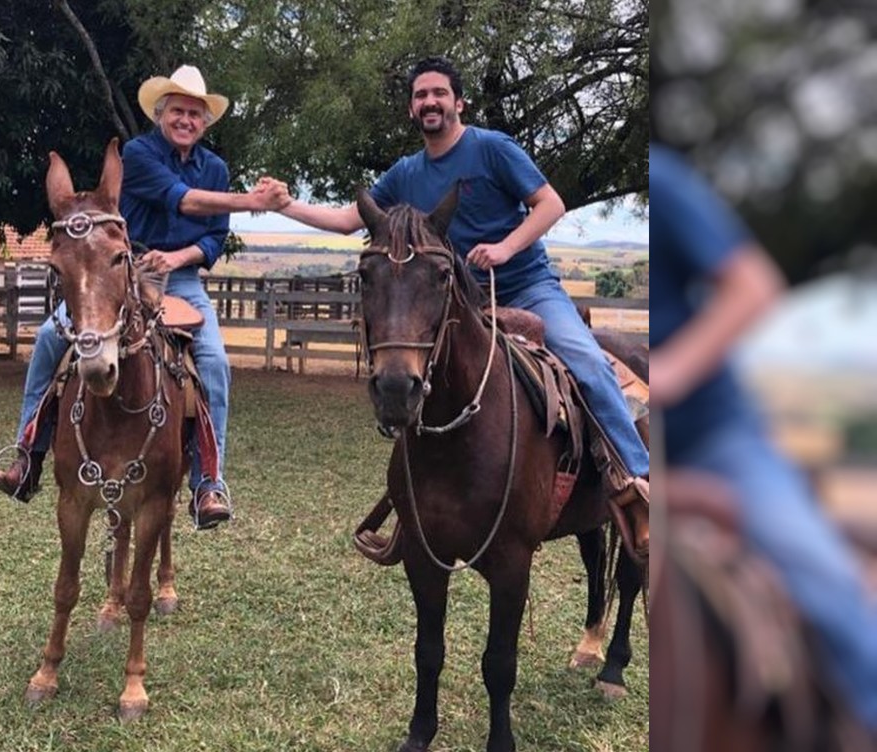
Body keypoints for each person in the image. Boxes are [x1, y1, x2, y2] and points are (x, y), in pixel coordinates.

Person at [270, 56, 650, 559]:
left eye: (439, 93)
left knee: (587, 364)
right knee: (423, 382)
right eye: (420, 95)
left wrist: (506, 248)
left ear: (458, 101)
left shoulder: (492, 149)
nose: (430, 101)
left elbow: (550, 204)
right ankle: (417, 509)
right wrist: (285, 205)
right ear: (412, 108)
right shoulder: (407, 172)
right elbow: (347, 219)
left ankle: (638, 486)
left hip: (525, 286)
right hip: (458, 301)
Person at [0, 65, 287, 529]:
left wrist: (178, 256)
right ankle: (27, 454)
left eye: (195, 113)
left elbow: (213, 239)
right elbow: (182, 200)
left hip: (181, 279)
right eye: (178, 111)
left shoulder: (216, 168)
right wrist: (254, 201)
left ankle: (209, 481)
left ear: (205, 122)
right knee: (49, 338)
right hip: (123, 272)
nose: (186, 119)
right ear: (161, 114)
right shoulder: (140, 154)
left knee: (215, 363)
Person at [650, 142, 877, 732]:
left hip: (713, 440)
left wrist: (670, 371)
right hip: (644, 445)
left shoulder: (663, 178)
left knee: (817, 570)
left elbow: (753, 285)